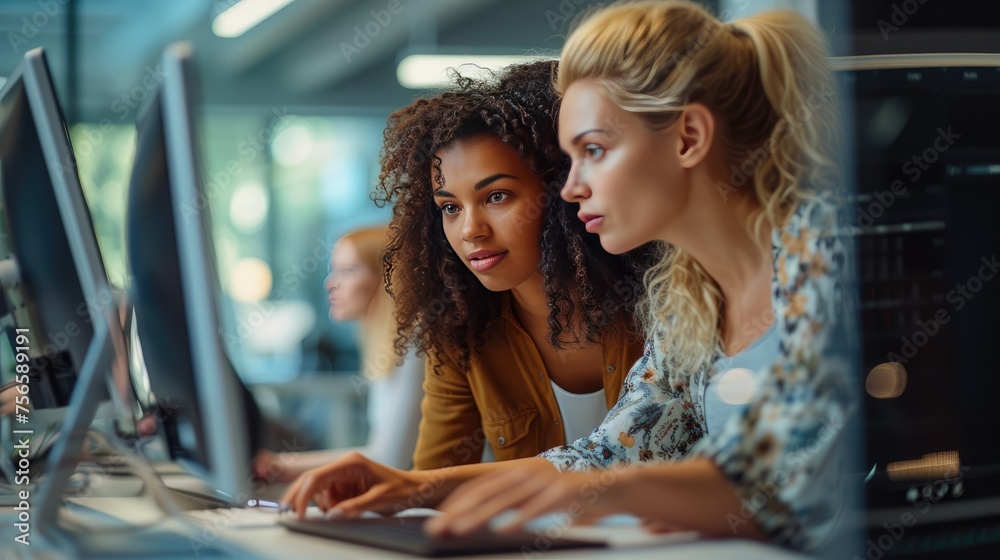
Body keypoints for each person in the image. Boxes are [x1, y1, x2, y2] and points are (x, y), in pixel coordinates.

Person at [284, 1, 855, 552]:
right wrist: (418, 488)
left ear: (688, 137)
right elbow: (611, 455)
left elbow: (790, 482)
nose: (571, 187)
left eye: (594, 151)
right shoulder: (689, 297)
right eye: (570, 157)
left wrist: (617, 492)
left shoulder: (823, 252)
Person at [280, 61, 657, 509]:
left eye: (496, 197)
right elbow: (430, 485)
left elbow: (634, 462)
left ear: (559, 191)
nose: (470, 230)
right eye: (450, 207)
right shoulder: (461, 332)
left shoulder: (660, 306)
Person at [255, 226, 425, 480]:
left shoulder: (413, 341)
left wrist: (282, 466)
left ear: (389, 278)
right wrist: (280, 465)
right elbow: (380, 454)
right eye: (333, 270)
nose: (330, 283)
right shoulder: (387, 343)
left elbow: (390, 459)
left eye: (347, 271)